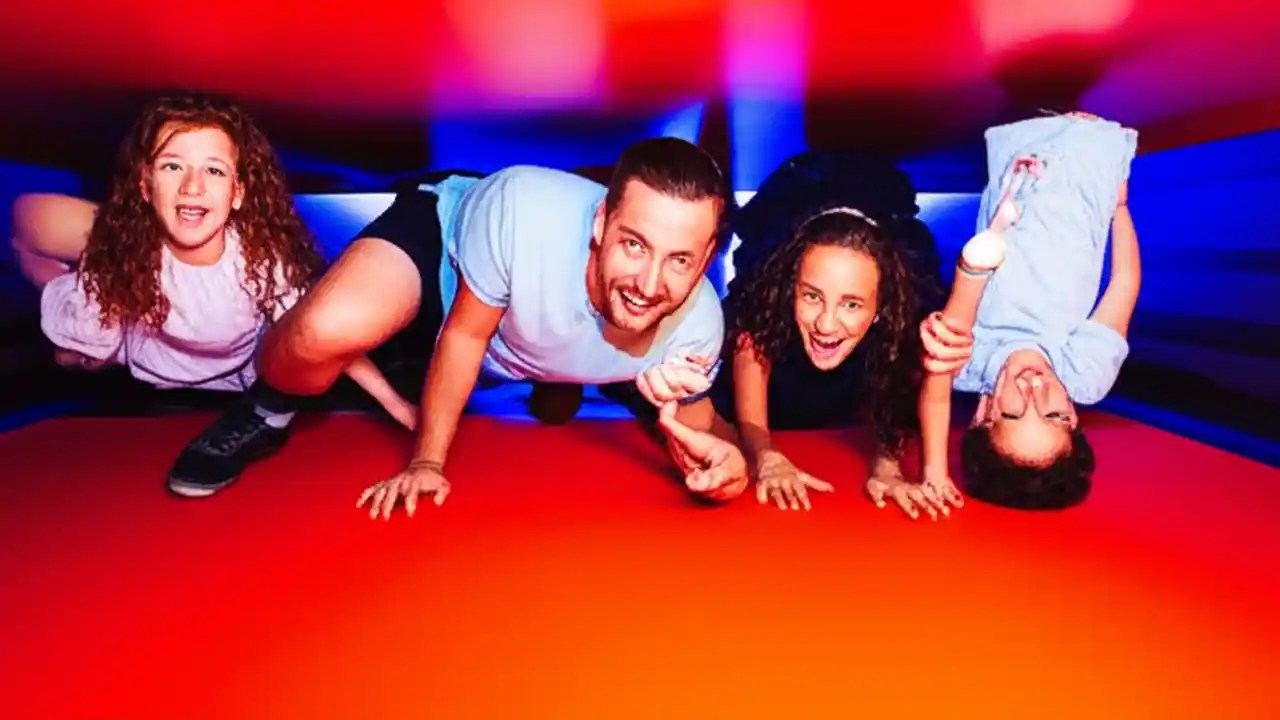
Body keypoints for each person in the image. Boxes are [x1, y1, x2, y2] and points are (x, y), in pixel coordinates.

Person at [167, 137, 739, 513]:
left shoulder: (698, 324)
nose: (649, 281)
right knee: (322, 333)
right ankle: (269, 405)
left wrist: (736, 467)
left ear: (709, 254)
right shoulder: (523, 209)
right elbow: (465, 335)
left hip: (526, 340)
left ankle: (550, 380)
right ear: (599, 223)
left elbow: (701, 436)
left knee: (554, 406)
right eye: (634, 245)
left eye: (681, 259)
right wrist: (426, 463)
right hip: (447, 256)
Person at [9, 94, 414, 434]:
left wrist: (394, 402)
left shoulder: (258, 262)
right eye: (172, 166)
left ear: (237, 194)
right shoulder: (132, 248)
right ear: (145, 187)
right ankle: (49, 285)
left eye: (214, 170)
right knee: (75, 351)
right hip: (149, 358)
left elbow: (325, 334)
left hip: (239, 368)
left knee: (304, 348)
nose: (193, 185)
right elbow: (30, 215)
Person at [626, 153, 957, 512]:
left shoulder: (906, 317)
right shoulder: (763, 296)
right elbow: (751, 398)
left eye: (851, 304)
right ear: (792, 290)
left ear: (880, 311)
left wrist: (888, 467)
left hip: (844, 406)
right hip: (762, 394)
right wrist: (765, 455)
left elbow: (897, 400)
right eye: (812, 297)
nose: (826, 324)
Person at [915, 111, 1140, 512]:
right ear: (1073, 416)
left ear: (984, 413)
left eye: (1016, 411)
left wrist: (934, 469)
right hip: (1084, 183)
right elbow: (1123, 283)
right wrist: (1119, 206)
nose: (1035, 389)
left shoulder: (970, 364)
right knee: (1081, 111)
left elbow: (935, 395)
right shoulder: (1085, 375)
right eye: (1054, 414)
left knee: (1027, 105)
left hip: (1019, 176)